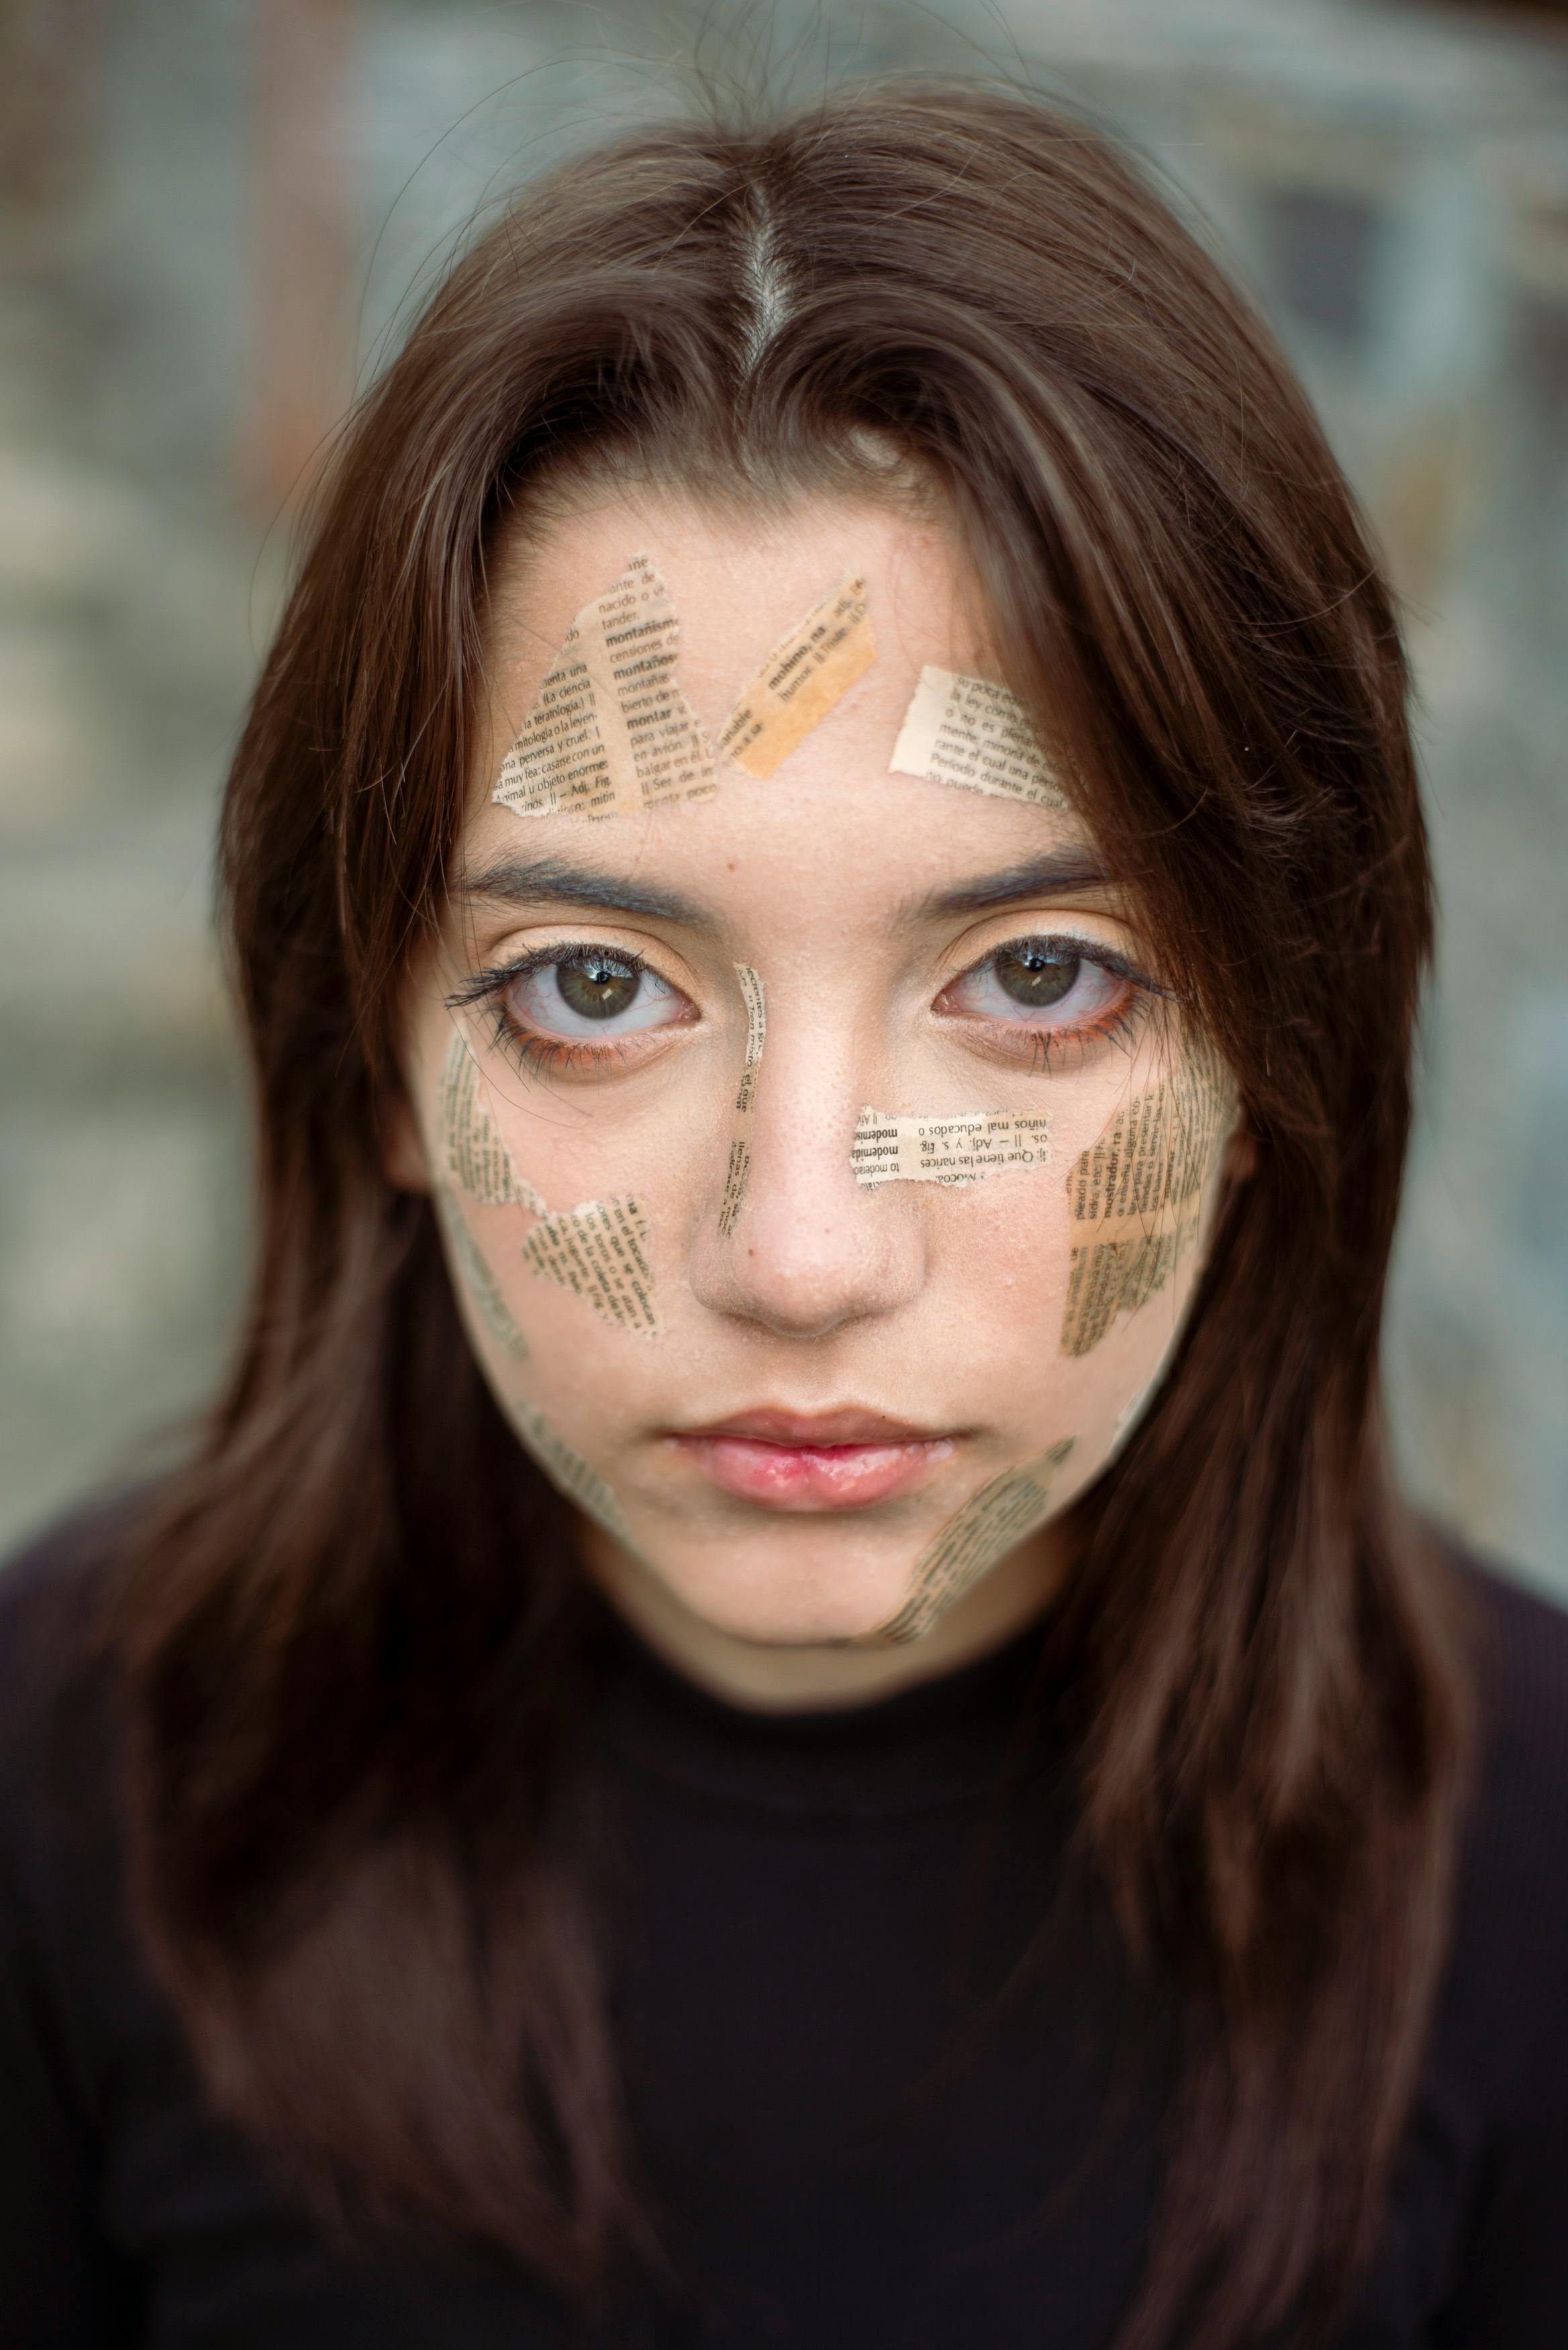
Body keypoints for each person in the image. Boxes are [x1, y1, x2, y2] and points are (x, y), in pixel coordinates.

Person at [2, 81, 1565, 2350]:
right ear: (381, 1069)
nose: (805, 1249)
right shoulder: (65, 1786)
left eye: (1040, 976)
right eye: (596, 988)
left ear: (1272, 1056)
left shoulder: (1534, 1879)